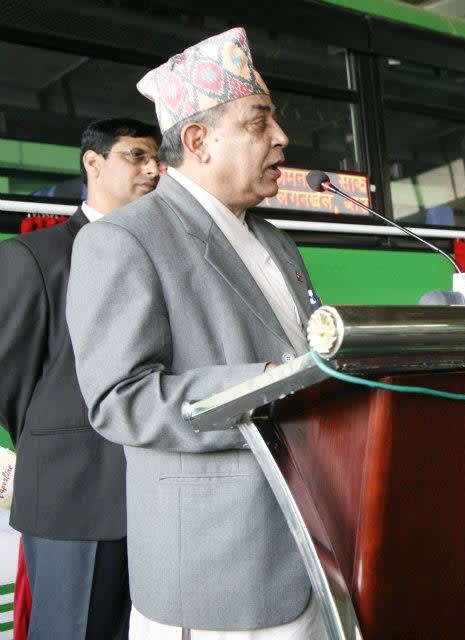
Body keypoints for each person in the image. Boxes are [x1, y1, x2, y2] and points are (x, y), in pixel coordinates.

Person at [66, 28, 324, 638]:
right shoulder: (123, 239)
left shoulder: (275, 240)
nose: (282, 137)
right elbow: (119, 399)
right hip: (220, 571)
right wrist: (268, 384)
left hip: (314, 547)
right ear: (199, 141)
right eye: (259, 121)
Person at [0, 117, 161, 639]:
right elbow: (11, 377)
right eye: (136, 156)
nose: (153, 169)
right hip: (75, 494)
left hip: (160, 496)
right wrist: (57, 436)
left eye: (157, 159)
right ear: (93, 163)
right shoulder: (35, 257)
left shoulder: (162, 253)